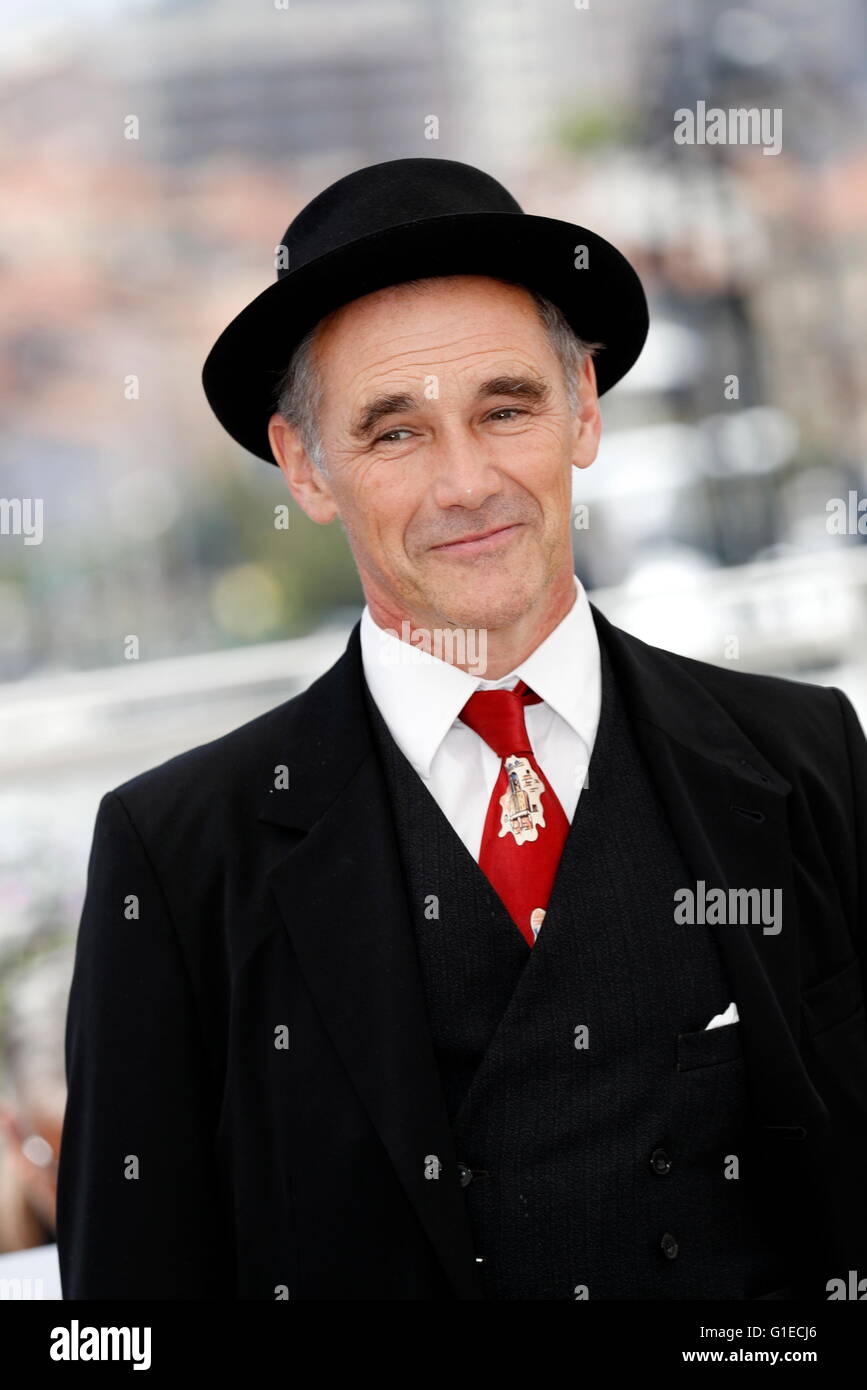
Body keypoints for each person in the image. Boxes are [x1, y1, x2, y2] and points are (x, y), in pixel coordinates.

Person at [57, 157, 867, 1300]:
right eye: (394, 434)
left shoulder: (805, 756)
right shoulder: (180, 859)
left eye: (506, 407)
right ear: (308, 466)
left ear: (583, 407)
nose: (467, 482)